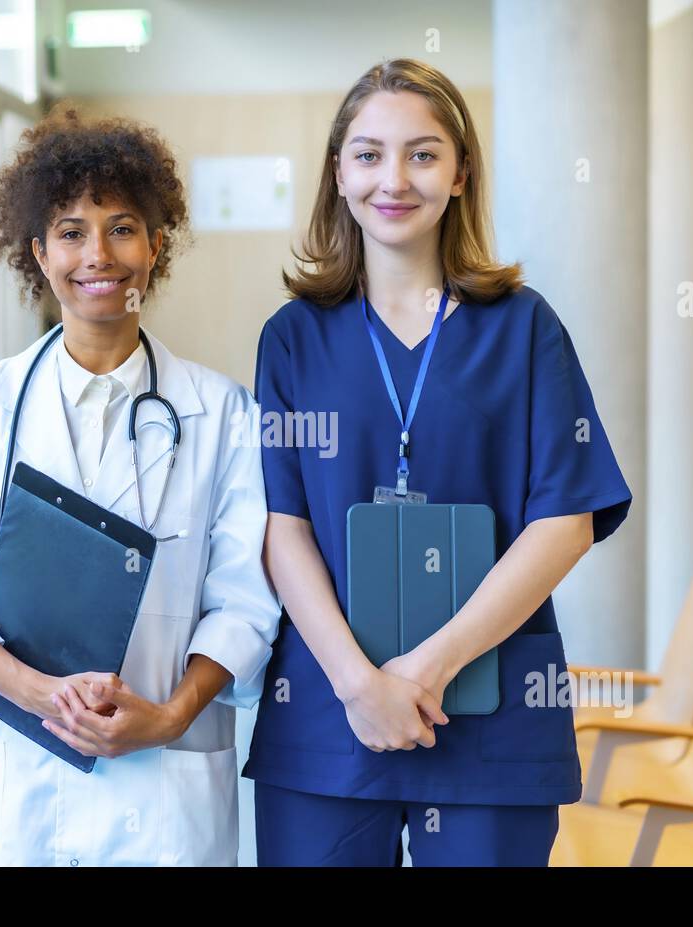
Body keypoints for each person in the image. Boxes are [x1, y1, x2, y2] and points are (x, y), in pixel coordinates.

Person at [243, 59, 632, 866]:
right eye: (369, 153)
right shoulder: (293, 339)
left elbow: (566, 520)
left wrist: (426, 669)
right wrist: (360, 684)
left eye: (423, 153)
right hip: (329, 712)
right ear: (338, 174)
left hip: (490, 713)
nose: (395, 178)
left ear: (461, 175)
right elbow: (283, 528)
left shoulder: (524, 329)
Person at [0, 103, 279, 866]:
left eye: (123, 227)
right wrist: (40, 695)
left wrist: (167, 717)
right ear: (37, 252)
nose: (98, 254)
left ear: (156, 246)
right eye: (70, 231)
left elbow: (244, 601)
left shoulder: (223, 413)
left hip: (161, 786)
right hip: (10, 783)